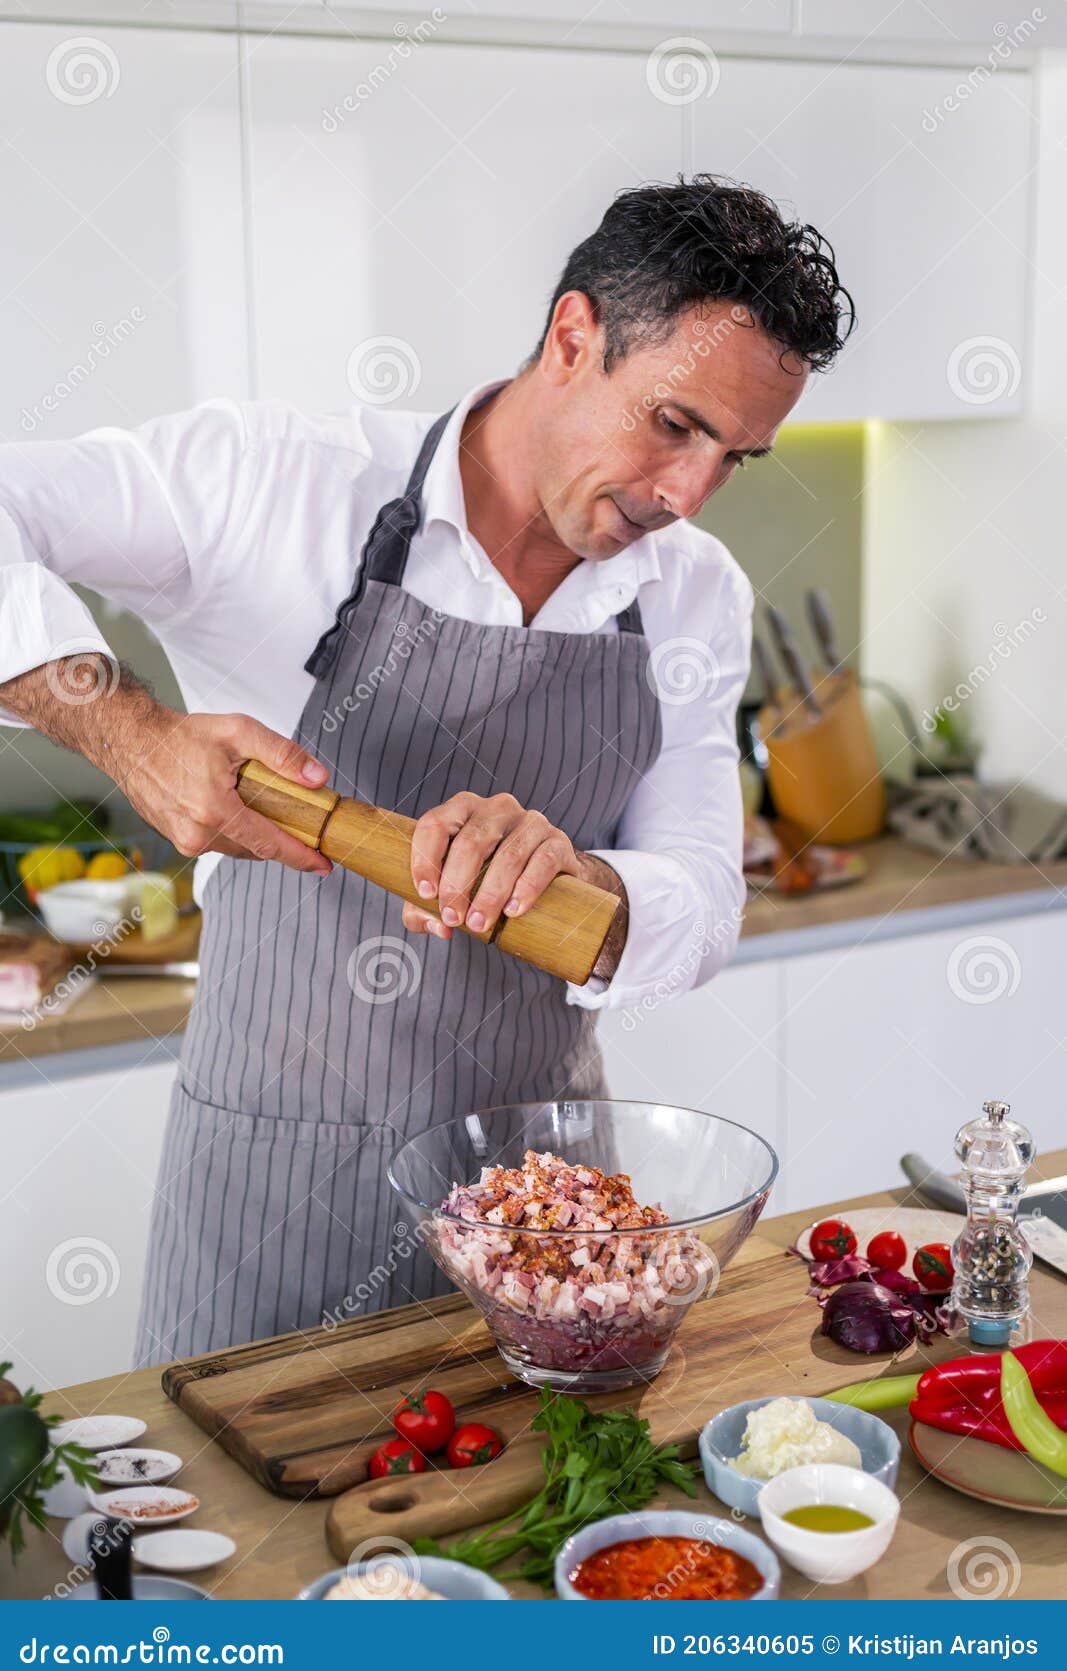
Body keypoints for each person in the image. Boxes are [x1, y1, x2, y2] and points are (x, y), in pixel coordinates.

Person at [0, 175, 853, 1364]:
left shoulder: (693, 592)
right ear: (571, 337)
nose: (687, 495)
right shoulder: (273, 481)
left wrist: (587, 883)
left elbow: (703, 897)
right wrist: (124, 729)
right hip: (271, 1182)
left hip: (543, 1216)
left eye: (735, 457)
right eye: (672, 424)